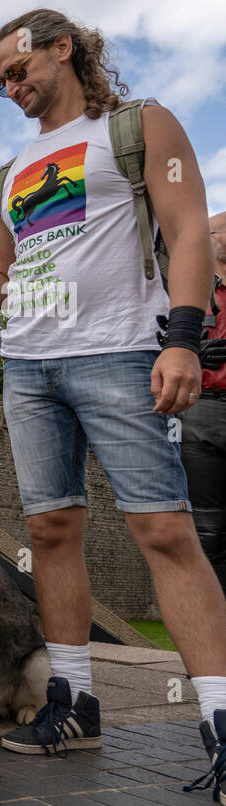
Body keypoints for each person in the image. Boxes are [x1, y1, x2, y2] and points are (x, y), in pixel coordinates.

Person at [0, 9, 226, 799]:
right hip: (29, 365)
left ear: (63, 48)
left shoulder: (138, 124)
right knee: (51, 531)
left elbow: (189, 230)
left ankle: (221, 722)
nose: (10, 88)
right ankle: (74, 704)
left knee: (162, 529)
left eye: (17, 71)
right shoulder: (11, 171)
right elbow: (12, 278)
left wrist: (183, 338)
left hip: (121, 352)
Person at [182, 211, 226, 595]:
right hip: (202, 411)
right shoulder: (190, 291)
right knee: (209, 530)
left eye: (214, 230)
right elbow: (160, 340)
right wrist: (194, 348)